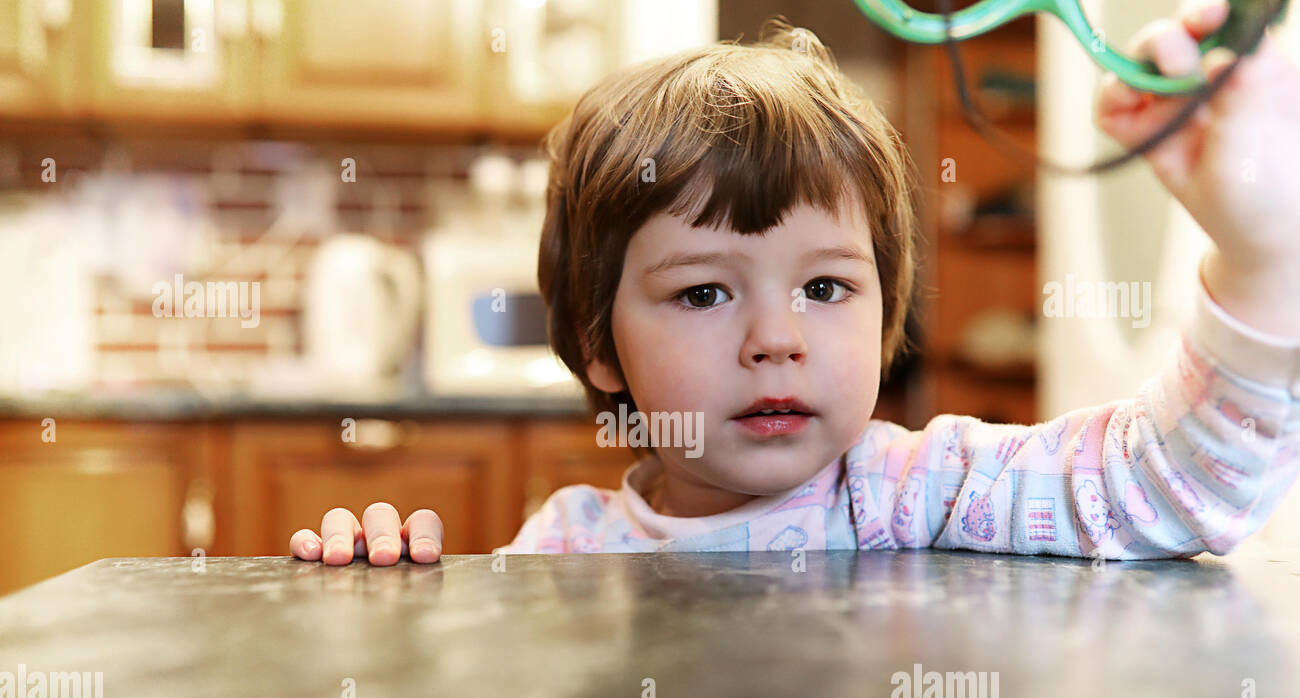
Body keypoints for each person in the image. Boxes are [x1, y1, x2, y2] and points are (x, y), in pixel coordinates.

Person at [290, 3, 1300, 565]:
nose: (777, 338)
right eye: (702, 293)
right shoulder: (566, 550)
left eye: (824, 288)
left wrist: (1260, 264)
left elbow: (1166, 488)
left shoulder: (918, 491)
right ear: (598, 343)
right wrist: (388, 598)